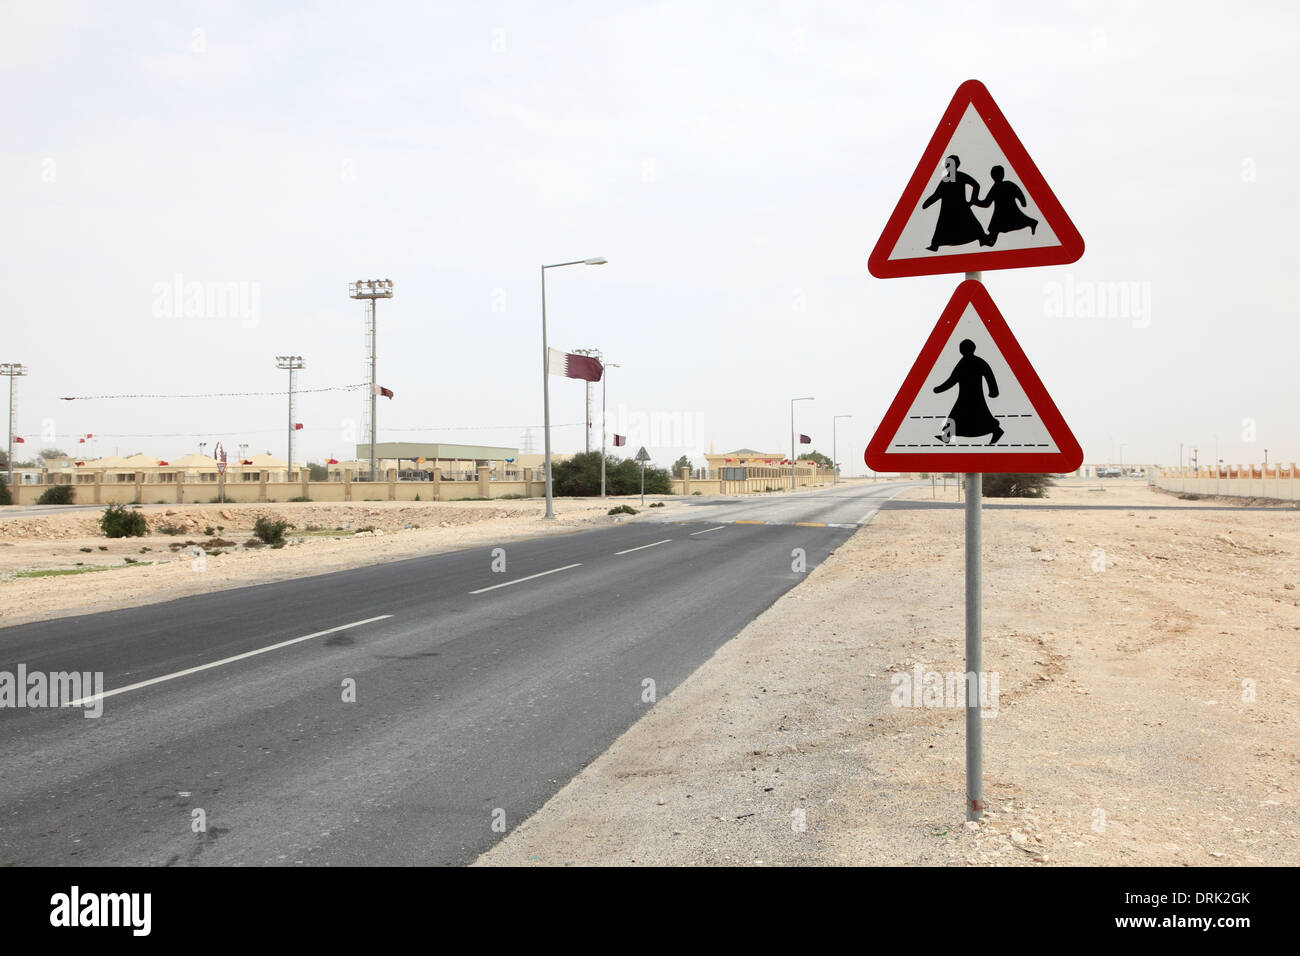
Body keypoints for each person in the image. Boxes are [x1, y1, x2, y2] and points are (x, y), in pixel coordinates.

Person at [933, 339, 1004, 445]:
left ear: (962, 350)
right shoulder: (978, 361)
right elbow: (989, 376)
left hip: (969, 396)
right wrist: (993, 391)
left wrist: (938, 389)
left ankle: (997, 431)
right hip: (970, 395)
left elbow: (952, 380)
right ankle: (946, 437)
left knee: (965, 414)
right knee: (967, 414)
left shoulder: (964, 363)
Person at [921, 155, 989, 251]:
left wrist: (973, 200)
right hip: (950, 209)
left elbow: (976, 185)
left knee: (973, 224)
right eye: (946, 164)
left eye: (948, 164)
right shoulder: (947, 179)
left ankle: (983, 239)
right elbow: (937, 194)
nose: (946, 166)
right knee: (943, 227)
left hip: (959, 208)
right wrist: (927, 203)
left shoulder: (958, 176)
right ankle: (935, 245)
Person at [970, 165, 1038, 245]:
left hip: (1001, 213)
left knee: (995, 230)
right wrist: (1023, 202)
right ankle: (1031, 222)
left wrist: (975, 202)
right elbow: (1018, 193)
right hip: (1007, 212)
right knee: (1019, 221)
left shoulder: (996, 187)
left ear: (993, 176)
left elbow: (986, 203)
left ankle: (1032, 222)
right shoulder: (1008, 184)